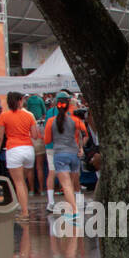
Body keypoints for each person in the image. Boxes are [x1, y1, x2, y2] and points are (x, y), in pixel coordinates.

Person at [0, 91, 39, 221]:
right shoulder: (30, 115)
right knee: (22, 182)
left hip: (13, 149)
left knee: (18, 182)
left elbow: (0, 136)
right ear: (20, 101)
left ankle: (24, 212)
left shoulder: (4, 116)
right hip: (28, 149)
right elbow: (35, 135)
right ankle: (24, 206)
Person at [43, 90, 87, 218]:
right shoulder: (75, 120)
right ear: (68, 105)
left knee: (66, 185)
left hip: (60, 154)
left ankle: (73, 211)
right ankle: (72, 207)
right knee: (72, 184)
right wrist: (81, 147)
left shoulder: (51, 121)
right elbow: (84, 133)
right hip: (74, 154)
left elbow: (47, 140)